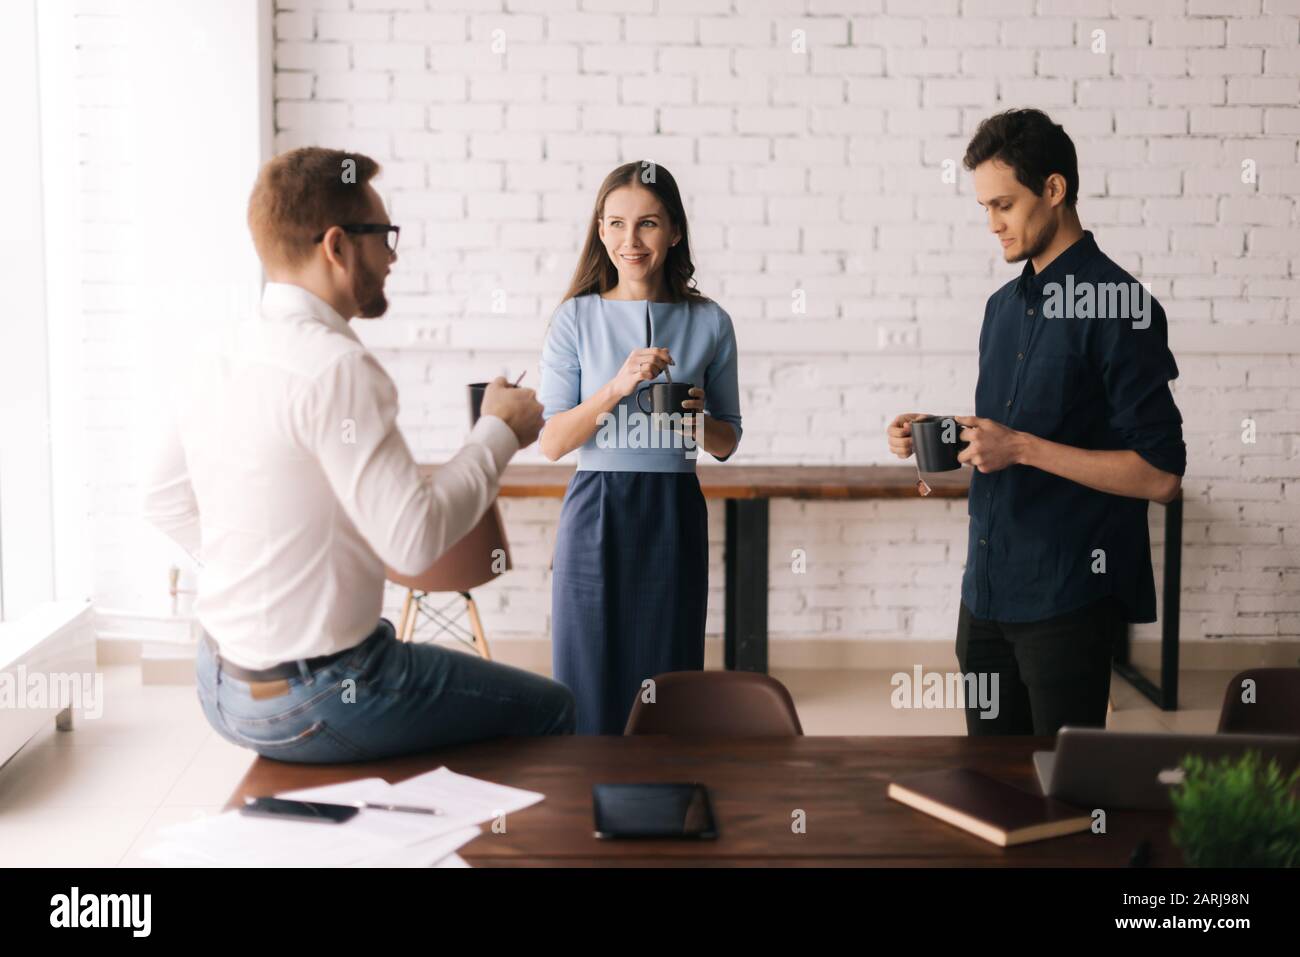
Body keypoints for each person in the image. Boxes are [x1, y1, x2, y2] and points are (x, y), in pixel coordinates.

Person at [143, 147, 575, 763]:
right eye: (384, 236)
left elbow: (161, 499)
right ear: (338, 247)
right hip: (316, 696)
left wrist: (263, 582)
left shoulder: (218, 350)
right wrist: (498, 432)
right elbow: (414, 542)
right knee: (555, 709)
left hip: (219, 682)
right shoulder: (337, 367)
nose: (394, 256)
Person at [887, 109, 1186, 736]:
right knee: (991, 789)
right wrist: (939, 431)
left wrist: (1020, 447)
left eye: (1004, 204)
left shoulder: (1123, 308)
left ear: (1054, 190)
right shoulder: (1001, 308)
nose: (992, 224)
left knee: (1063, 798)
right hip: (986, 595)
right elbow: (1015, 428)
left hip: (1068, 598)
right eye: (983, 208)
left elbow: (1160, 475)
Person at [538, 161, 743, 734]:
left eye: (648, 224)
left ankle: (666, 798)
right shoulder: (574, 319)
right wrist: (616, 387)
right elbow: (552, 441)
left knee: (669, 673)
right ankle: (588, 800)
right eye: (617, 224)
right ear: (600, 231)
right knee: (588, 671)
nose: (631, 241)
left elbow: (728, 441)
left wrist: (696, 421)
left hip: (673, 508)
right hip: (597, 505)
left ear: (674, 231)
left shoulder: (710, 321)